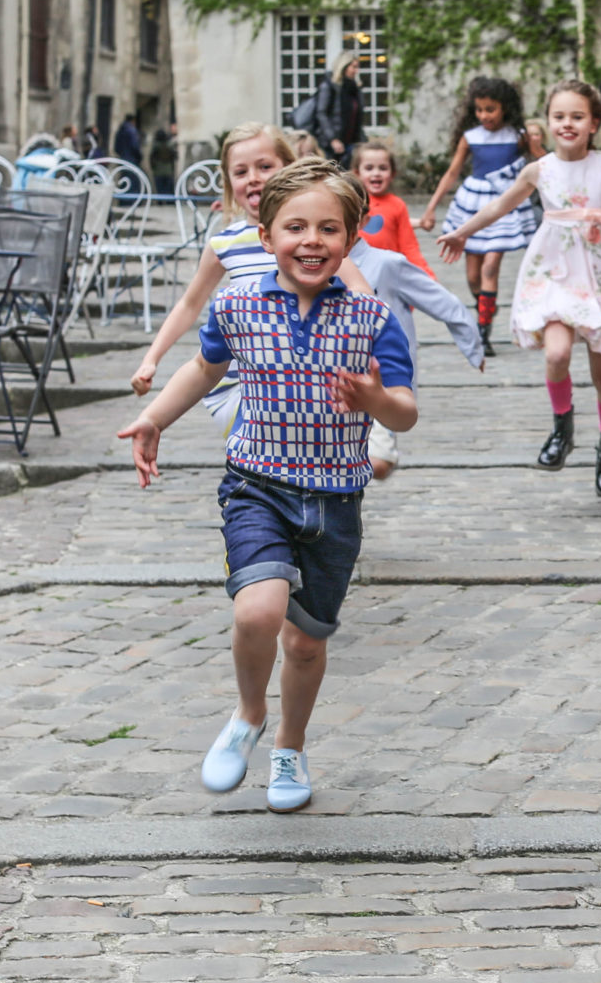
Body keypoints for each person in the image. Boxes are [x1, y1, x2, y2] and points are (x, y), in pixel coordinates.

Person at [118, 158, 417, 813]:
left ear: (351, 238)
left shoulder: (373, 319)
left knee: (306, 642)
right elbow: (203, 369)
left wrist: (374, 399)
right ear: (266, 236)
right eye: (296, 227)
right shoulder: (236, 305)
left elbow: (405, 412)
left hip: (335, 500)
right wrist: (154, 417)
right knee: (257, 610)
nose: (312, 240)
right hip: (256, 484)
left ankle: (289, 746)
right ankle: (249, 713)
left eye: (328, 229)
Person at [438, 79, 601, 495]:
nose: (567, 124)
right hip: (556, 271)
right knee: (556, 353)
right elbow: (499, 205)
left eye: (577, 116)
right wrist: (462, 232)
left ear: (594, 123)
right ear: (548, 121)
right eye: (559, 116)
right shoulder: (539, 170)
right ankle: (563, 428)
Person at [129, 123, 372, 429]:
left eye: (265, 167)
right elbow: (189, 305)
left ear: (288, 169)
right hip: (241, 384)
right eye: (241, 172)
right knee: (262, 444)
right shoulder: (224, 244)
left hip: (304, 373)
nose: (253, 178)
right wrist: (151, 359)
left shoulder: (311, 244)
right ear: (229, 182)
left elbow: (362, 293)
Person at [350, 236, 484, 481]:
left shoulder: (386, 264)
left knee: (377, 462)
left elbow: (441, 301)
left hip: (383, 380)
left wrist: (473, 347)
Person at [420, 76, 535, 357]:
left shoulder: (518, 136)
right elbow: (452, 173)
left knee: (490, 268)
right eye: (479, 110)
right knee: (473, 276)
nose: (484, 115)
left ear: (504, 107)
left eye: (490, 109)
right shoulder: (470, 137)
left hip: (503, 205)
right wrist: (431, 207)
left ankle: (484, 332)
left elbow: (544, 162)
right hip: (472, 205)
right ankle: (484, 305)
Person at [351, 141, 433, 276]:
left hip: (388, 274)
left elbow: (409, 247)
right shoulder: (351, 202)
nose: (376, 173)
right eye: (369, 168)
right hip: (355, 274)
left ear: (393, 173)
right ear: (357, 172)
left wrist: (427, 276)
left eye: (383, 168)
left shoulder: (397, 205)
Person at [314, 51, 368, 166]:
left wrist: (362, 141)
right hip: (332, 145)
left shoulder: (355, 89)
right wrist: (333, 139)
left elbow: (357, 118)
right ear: (343, 66)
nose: (356, 71)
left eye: (357, 67)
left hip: (351, 144)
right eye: (353, 67)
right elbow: (321, 113)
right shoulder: (329, 86)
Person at [150, 127, 178, 195]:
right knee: (169, 192)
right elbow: (175, 156)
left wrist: (153, 167)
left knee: (160, 191)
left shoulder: (155, 145)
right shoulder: (169, 145)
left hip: (158, 172)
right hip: (168, 171)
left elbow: (152, 158)